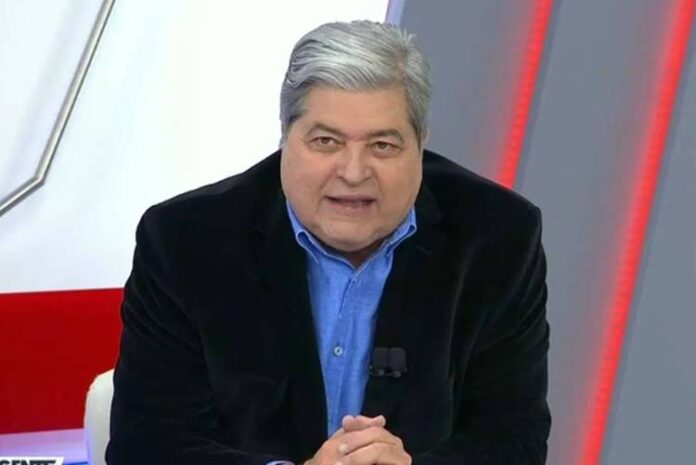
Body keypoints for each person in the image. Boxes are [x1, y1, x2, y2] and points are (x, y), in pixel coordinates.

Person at [106, 20, 551, 465]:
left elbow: (513, 440)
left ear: (421, 143)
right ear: (285, 137)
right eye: (326, 141)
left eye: (382, 145)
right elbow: (145, 444)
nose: (353, 172)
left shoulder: (497, 238)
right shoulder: (186, 242)